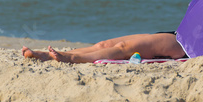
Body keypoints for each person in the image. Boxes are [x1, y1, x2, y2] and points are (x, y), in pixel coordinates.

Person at [21, 31, 185, 64]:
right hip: (178, 33)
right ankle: (48, 56)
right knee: (103, 45)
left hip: (186, 45)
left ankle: (72, 58)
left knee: (123, 47)